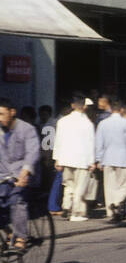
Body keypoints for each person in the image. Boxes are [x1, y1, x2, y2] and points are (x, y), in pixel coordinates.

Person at [0, 98, 40, 249]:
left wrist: (25, 172)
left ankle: (21, 237)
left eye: (2, 114)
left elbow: (32, 152)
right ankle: (8, 231)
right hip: (3, 177)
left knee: (17, 200)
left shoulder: (26, 129)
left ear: (12, 112)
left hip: (23, 176)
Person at [52, 94, 96, 222]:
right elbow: (90, 143)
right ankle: (77, 212)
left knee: (68, 184)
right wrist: (91, 161)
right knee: (80, 187)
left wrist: (57, 159)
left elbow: (58, 140)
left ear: (72, 105)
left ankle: (66, 205)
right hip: (82, 159)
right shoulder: (87, 123)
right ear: (84, 106)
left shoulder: (62, 121)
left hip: (66, 158)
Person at [94, 99, 126, 222]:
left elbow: (98, 143)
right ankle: (118, 202)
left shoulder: (103, 123)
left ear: (110, 109)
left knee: (109, 186)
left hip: (107, 158)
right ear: (121, 110)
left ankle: (111, 212)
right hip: (123, 158)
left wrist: (98, 159)